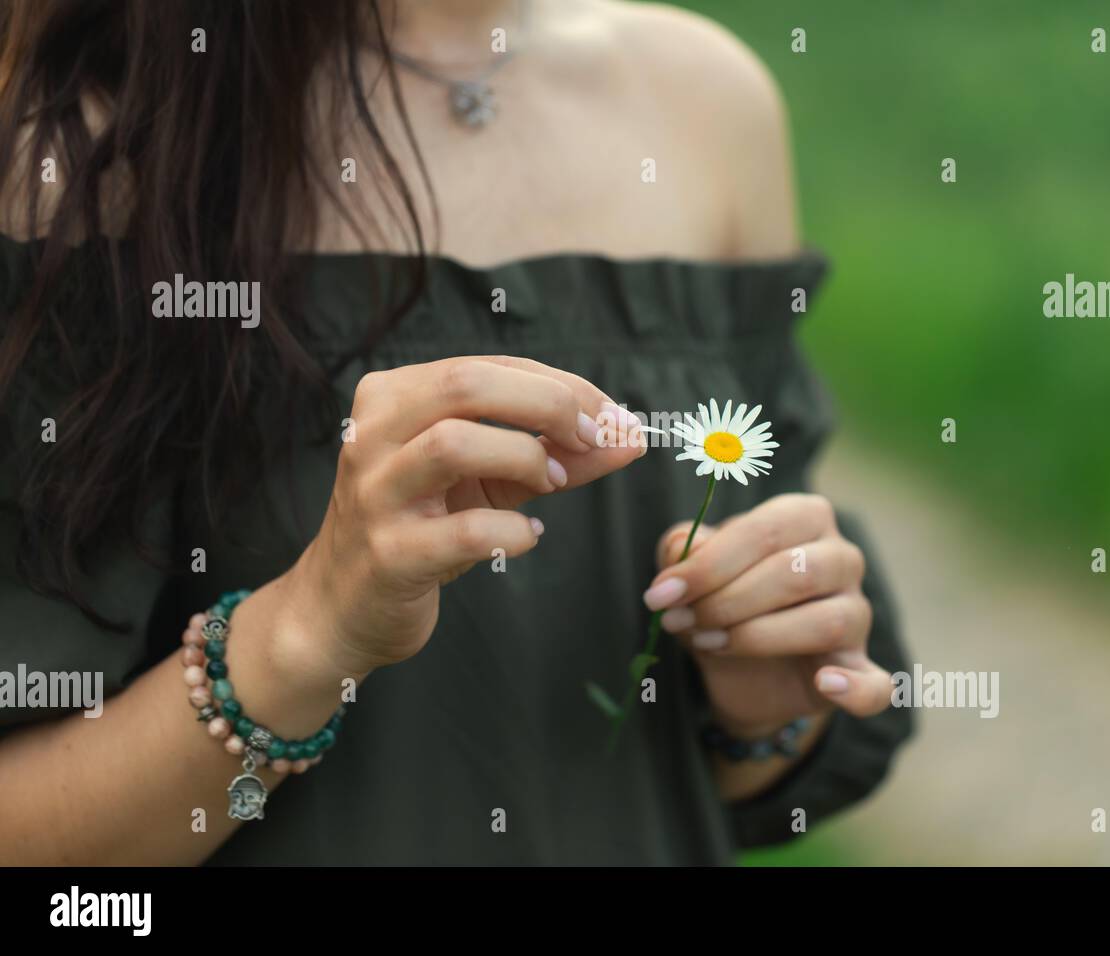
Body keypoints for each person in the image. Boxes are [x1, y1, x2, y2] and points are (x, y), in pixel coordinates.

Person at [0, 0, 911, 865]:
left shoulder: (710, 102)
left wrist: (763, 709)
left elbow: (721, 772)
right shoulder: (83, 137)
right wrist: (308, 637)